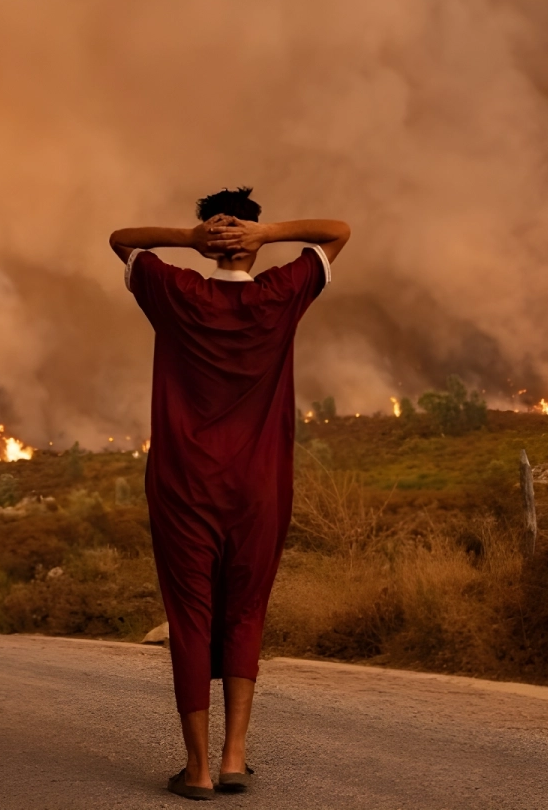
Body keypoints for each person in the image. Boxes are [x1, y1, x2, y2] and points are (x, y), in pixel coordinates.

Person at [109, 187, 350, 801]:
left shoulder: (175, 291)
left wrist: (187, 242)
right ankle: (235, 758)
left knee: (190, 618)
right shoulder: (281, 294)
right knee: (246, 611)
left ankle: (197, 771)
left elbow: (120, 241)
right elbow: (338, 231)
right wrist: (269, 237)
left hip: (184, 485)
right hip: (259, 487)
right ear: (250, 235)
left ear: (212, 237)